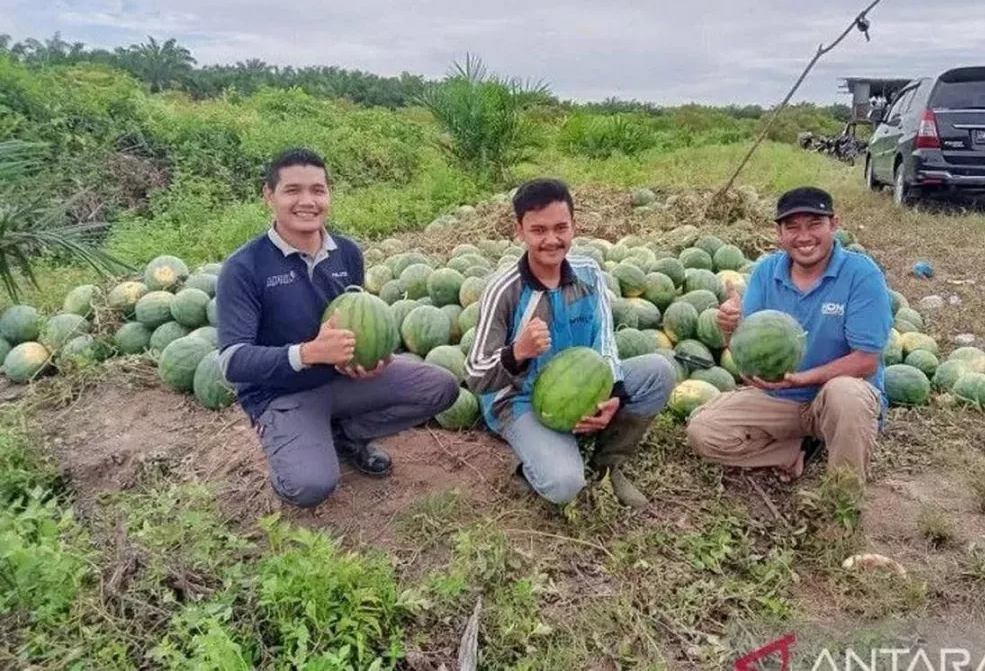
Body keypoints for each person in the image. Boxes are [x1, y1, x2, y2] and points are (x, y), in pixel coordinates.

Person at [216, 148, 459, 508]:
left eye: (317, 190)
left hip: (341, 381)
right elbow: (232, 362)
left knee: (440, 387)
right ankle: (294, 447)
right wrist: (309, 353)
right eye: (292, 190)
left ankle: (344, 435)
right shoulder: (244, 267)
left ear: (329, 194)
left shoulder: (347, 253)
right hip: (282, 393)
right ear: (269, 195)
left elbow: (357, 318)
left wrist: (370, 357)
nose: (307, 201)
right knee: (310, 486)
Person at [464, 178, 676, 508]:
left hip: (580, 385)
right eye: (538, 230)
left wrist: (614, 395)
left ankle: (608, 462)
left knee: (659, 371)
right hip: (520, 399)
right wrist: (517, 352)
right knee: (563, 485)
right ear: (519, 230)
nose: (552, 240)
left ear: (574, 226)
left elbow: (605, 341)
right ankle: (531, 458)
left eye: (561, 227)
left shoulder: (589, 272)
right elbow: (476, 375)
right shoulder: (503, 290)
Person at [686, 186, 890, 484]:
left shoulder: (861, 274)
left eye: (814, 225)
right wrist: (731, 329)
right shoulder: (767, 271)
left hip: (835, 400)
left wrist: (805, 378)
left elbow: (866, 362)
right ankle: (799, 449)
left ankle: (842, 497)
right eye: (792, 227)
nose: (804, 237)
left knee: (845, 395)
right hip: (781, 398)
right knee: (703, 432)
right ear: (778, 233)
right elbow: (748, 356)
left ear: (834, 224)